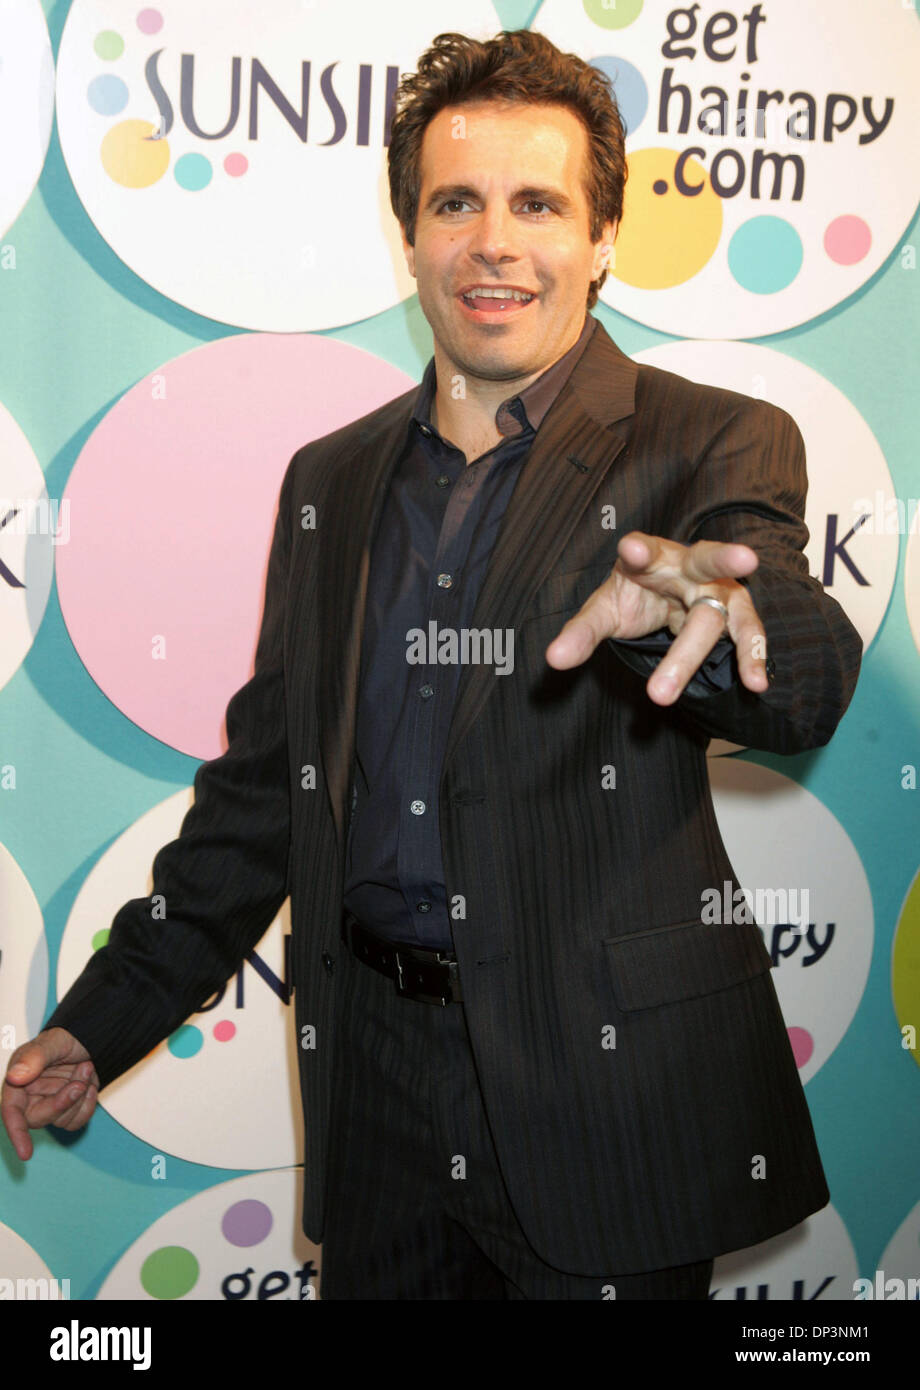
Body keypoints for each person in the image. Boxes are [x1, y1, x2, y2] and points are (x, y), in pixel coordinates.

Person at [2, 29, 861, 1300]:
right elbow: (258, 804)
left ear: (604, 237)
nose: (493, 242)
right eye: (455, 202)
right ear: (410, 236)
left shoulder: (710, 440)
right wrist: (97, 1019)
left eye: (538, 204)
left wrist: (714, 612)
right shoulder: (330, 480)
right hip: (379, 1094)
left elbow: (797, 673)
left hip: (604, 1092)